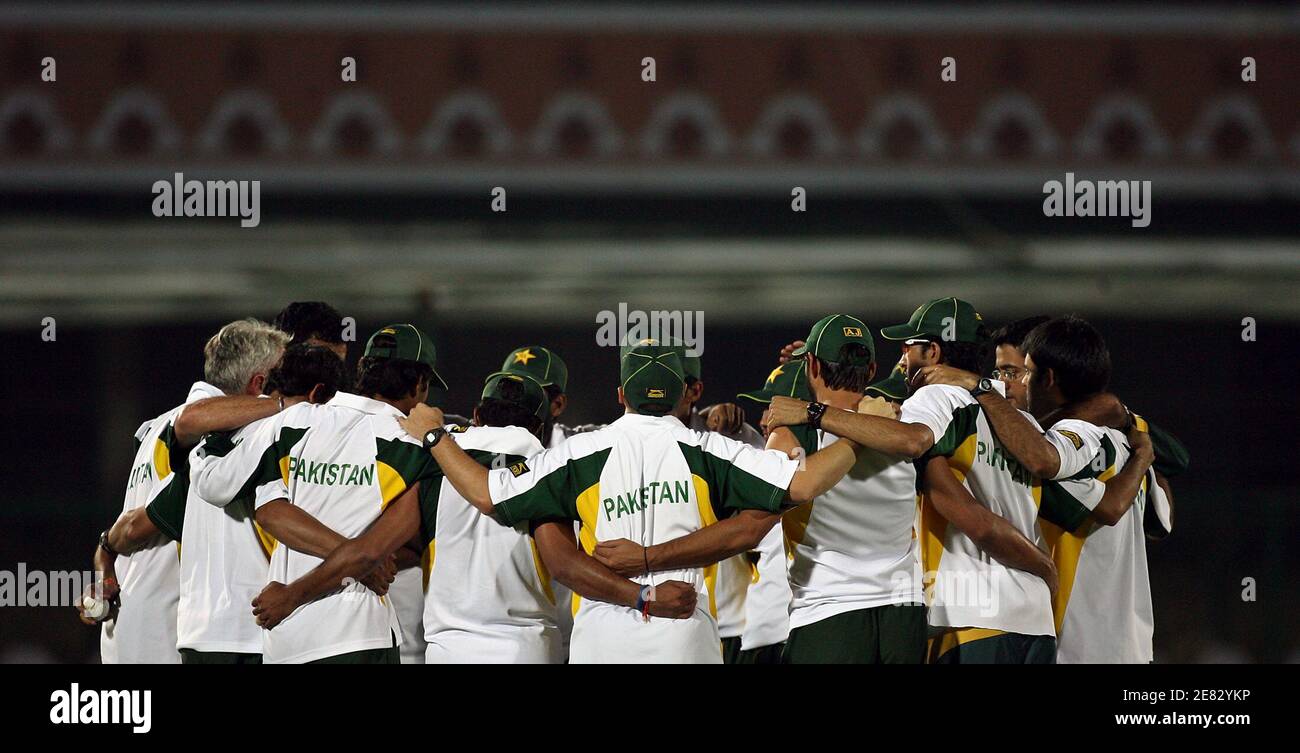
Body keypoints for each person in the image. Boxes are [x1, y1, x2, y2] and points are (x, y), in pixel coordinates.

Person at [400, 343, 865, 663]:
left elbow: (487, 492)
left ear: (621, 395)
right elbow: (803, 485)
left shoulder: (576, 456)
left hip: (603, 639)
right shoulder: (712, 452)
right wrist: (858, 437)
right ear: (684, 395)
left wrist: (435, 436)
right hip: (685, 635)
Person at [764, 299, 1106, 663]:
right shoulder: (1020, 421)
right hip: (1034, 620)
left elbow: (918, 450)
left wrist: (813, 403)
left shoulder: (932, 401)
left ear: (933, 352)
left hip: (970, 615)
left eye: (909, 346)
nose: (903, 357)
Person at [191, 324, 448, 663]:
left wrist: (292, 595)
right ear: (420, 384)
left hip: (286, 638)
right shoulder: (415, 448)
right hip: (357, 632)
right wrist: (297, 593)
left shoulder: (293, 420)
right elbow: (375, 552)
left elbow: (264, 509)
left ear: (362, 371)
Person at [83, 318, 288, 663]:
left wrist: (104, 553)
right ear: (259, 382)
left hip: (127, 621)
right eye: (281, 379)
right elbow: (139, 524)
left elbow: (127, 526)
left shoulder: (152, 428)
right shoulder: (209, 435)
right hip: (162, 625)